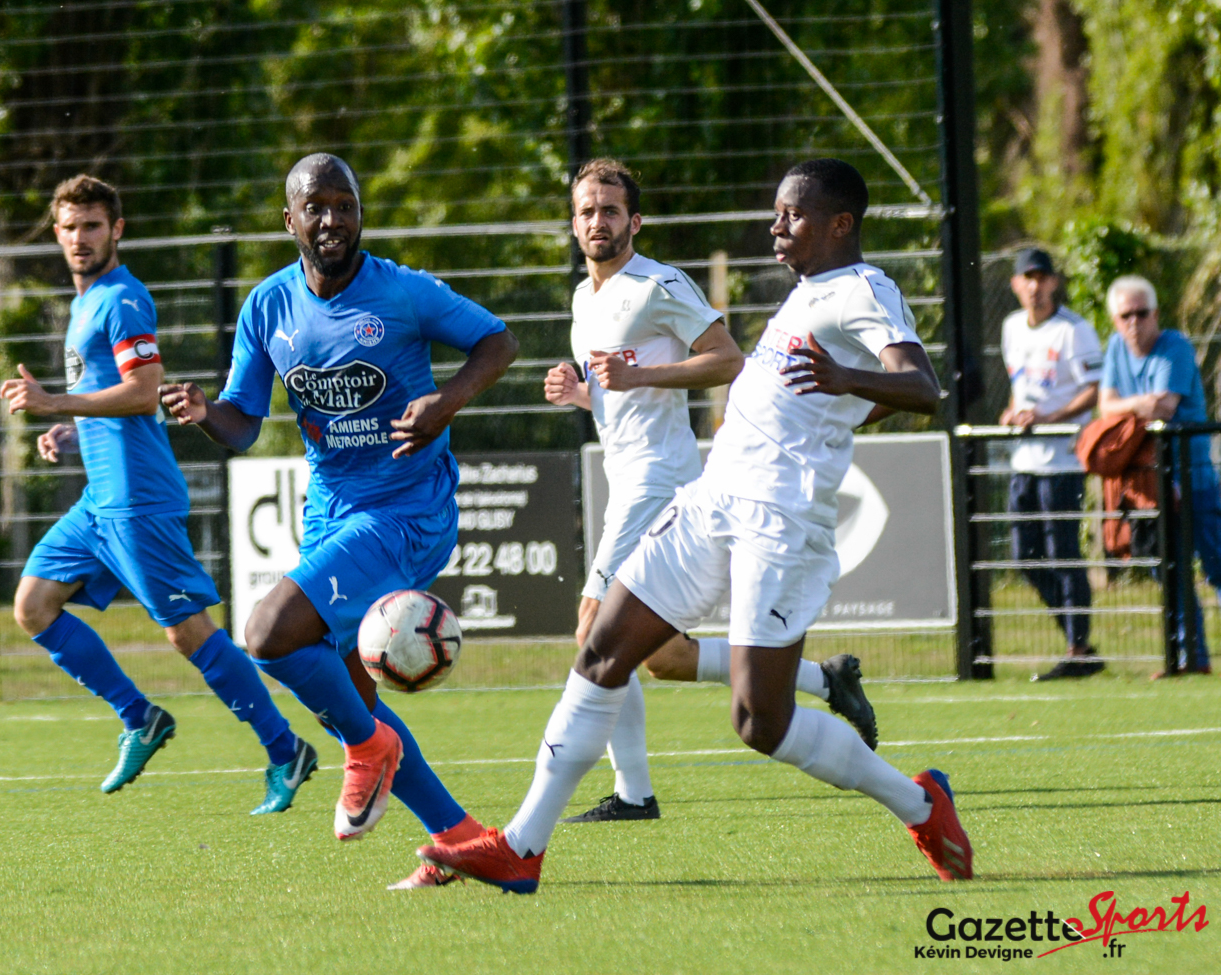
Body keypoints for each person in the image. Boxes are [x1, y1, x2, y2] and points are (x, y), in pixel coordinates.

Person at [421, 159, 972, 893]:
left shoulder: (863, 289)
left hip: (779, 524)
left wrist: (847, 384)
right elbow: (820, 398)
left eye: (793, 216)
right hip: (712, 501)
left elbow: (922, 387)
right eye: (776, 213)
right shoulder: (806, 294)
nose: (777, 227)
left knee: (760, 722)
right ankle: (522, 846)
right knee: (603, 649)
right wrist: (838, 405)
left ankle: (920, 803)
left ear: (841, 224)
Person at [159, 153, 519, 888]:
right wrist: (204, 416)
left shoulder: (403, 292)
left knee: (266, 632)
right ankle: (467, 843)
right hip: (331, 515)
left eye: (344, 204)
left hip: (407, 512)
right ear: (287, 219)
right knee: (353, 702)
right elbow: (244, 427)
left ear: (360, 212)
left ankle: (369, 753)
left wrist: (446, 401)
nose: (332, 220)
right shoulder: (267, 307)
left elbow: (498, 341)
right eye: (315, 207)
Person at [546, 157, 880, 824]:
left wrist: (639, 377)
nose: (597, 222)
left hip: (658, 481)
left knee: (593, 628)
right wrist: (585, 394)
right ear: (574, 222)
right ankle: (824, 679)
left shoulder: (657, 283)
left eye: (610, 211)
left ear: (634, 222)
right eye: (587, 211)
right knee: (663, 657)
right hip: (625, 477)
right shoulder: (586, 299)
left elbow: (729, 359)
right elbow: (622, 392)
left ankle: (634, 795)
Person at [0, 175, 317, 809]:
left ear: (116, 231)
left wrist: (52, 402)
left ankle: (286, 750)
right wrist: (72, 424)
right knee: (33, 605)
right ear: (56, 234)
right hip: (100, 503)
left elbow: (145, 390)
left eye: (92, 225)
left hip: (138, 500)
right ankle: (139, 717)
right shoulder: (85, 303)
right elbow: (115, 393)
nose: (79, 238)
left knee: (189, 633)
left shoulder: (121, 299)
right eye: (69, 227)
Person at [1099, 275, 1217, 675]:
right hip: (1151, 484)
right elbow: (1105, 406)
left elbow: (1164, 407)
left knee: (1217, 566)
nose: (1134, 322)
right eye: (1125, 315)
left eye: (1141, 313)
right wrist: (1139, 403)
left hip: (1194, 478)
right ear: (1115, 320)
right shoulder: (1117, 347)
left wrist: (1127, 405)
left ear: (1156, 315)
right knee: (1170, 574)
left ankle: (1190, 657)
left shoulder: (1175, 347)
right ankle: (1190, 659)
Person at [998, 248, 1105, 681]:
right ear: (1016, 284)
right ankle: (1077, 641)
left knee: (1063, 552)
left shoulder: (1073, 330)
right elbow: (1019, 387)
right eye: (1028, 277)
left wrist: (1048, 418)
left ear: (1054, 282)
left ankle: (1077, 648)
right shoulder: (1010, 327)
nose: (1036, 286)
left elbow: (1093, 390)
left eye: (1043, 277)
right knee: (1025, 556)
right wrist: (1012, 412)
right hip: (1024, 459)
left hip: (1062, 458)